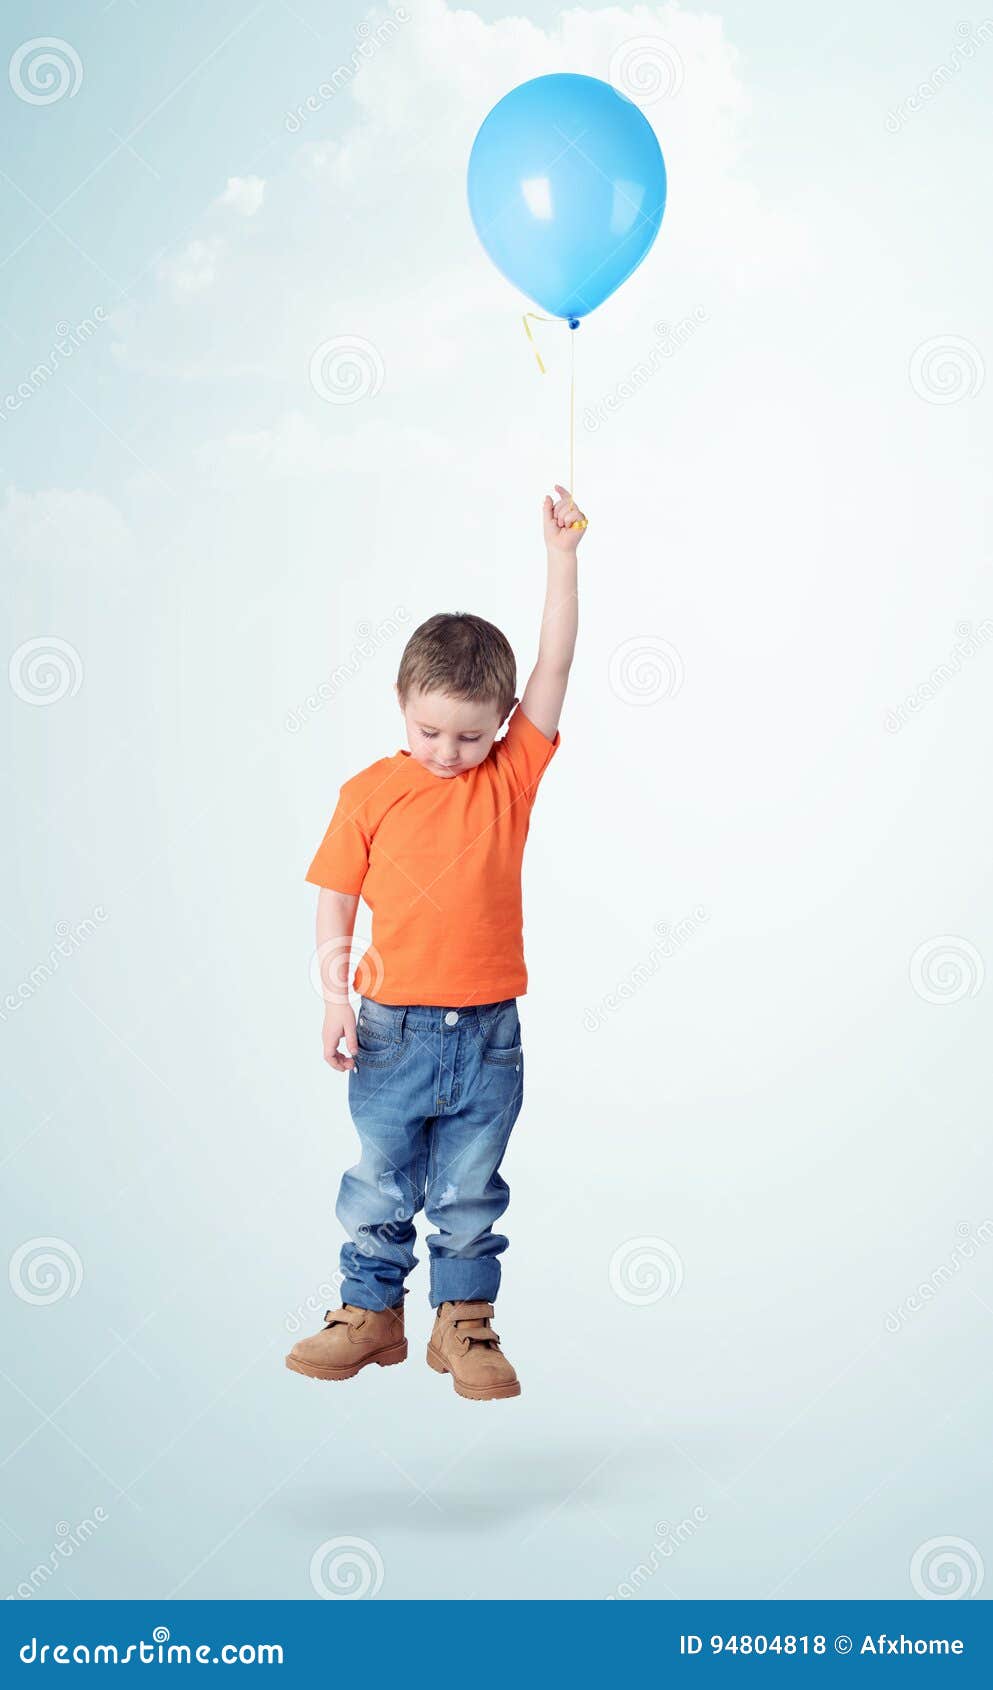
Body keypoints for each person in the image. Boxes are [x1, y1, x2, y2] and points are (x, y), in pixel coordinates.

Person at [286, 485, 586, 1400]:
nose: (449, 751)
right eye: (429, 730)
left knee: (468, 1191)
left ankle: (464, 1325)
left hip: (488, 1031)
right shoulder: (368, 792)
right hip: (391, 1027)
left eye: (469, 734)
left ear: (502, 722)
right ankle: (369, 1314)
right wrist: (334, 999)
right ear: (399, 703)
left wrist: (561, 558)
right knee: (379, 1181)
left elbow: (554, 664)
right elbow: (336, 898)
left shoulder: (511, 775)